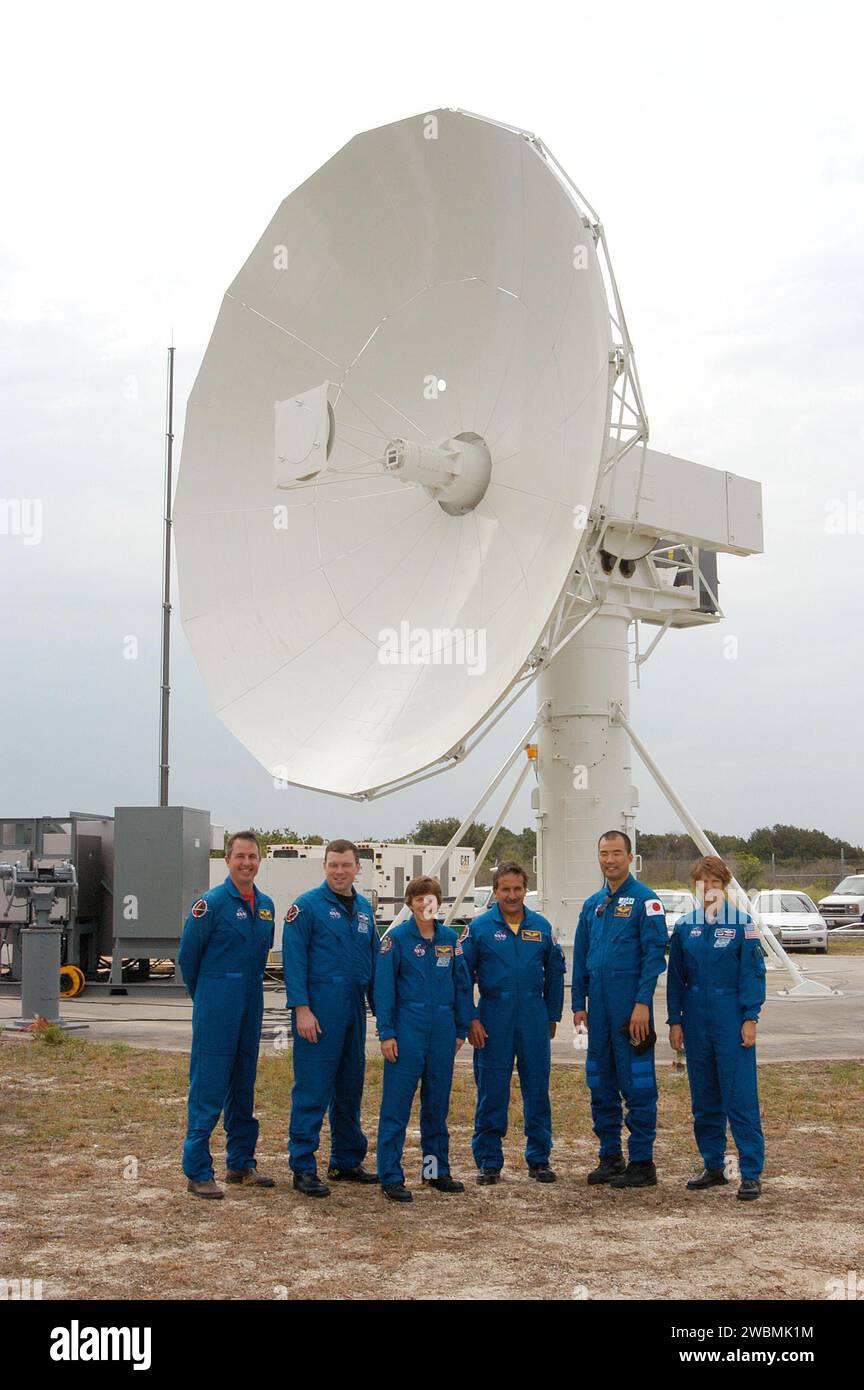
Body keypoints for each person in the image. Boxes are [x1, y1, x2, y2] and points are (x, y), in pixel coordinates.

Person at [178, 830, 276, 1199]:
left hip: (251, 999)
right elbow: (189, 957)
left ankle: (240, 1162)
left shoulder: (265, 905)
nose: (247, 863)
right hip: (217, 1000)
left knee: (243, 1083)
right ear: (227, 860)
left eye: (252, 857)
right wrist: (206, 996)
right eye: (240, 857)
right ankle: (198, 1170)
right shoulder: (211, 903)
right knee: (209, 1085)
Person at [457, 860, 566, 1184]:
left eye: (518, 889)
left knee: (537, 1089)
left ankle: (539, 1158)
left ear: (525, 889)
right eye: (505, 889)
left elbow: (556, 974)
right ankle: (489, 1160)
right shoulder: (479, 929)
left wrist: (552, 1015)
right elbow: (462, 978)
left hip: (533, 1015)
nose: (512, 895)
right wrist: (472, 1018)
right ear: (495, 891)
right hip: (493, 1016)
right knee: (492, 1091)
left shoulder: (541, 927)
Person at [572, 830, 668, 1188]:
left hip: (631, 1010)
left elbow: (654, 955)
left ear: (630, 857)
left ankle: (642, 1162)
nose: (609, 859)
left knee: (638, 1084)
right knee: (600, 1082)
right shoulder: (592, 905)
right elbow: (581, 956)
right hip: (597, 1011)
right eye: (603, 853)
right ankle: (610, 1157)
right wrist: (577, 1004)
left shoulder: (646, 901)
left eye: (616, 853)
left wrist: (643, 1002)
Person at [282, 839, 379, 1197]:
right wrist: (301, 1008)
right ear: (324, 867)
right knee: (312, 1087)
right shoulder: (305, 907)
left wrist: (381, 1012)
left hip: (353, 1009)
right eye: (333, 865)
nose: (339, 872)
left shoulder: (366, 910)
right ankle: (303, 1166)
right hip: (319, 1011)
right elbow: (294, 961)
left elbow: (374, 965)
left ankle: (346, 1159)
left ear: (357, 868)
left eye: (346, 865)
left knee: (350, 1085)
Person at [667, 855, 766, 1201]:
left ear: (724, 885)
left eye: (714, 882)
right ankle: (713, 1165)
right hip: (695, 1019)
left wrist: (750, 1018)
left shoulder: (743, 925)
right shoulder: (685, 927)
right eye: (701, 882)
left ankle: (750, 1172)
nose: (708, 888)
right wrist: (675, 1021)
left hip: (731, 1018)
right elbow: (676, 979)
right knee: (705, 1098)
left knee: (739, 1097)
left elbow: (753, 975)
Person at [374, 876, 471, 1203]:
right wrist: (386, 1032)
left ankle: (434, 1171)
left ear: (438, 902)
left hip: (442, 1029)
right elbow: (383, 990)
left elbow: (461, 983)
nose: (425, 905)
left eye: (431, 899)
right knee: (396, 1108)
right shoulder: (396, 939)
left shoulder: (449, 938)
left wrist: (461, 1028)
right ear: (410, 903)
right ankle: (390, 1175)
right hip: (407, 1028)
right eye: (418, 899)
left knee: (436, 1107)